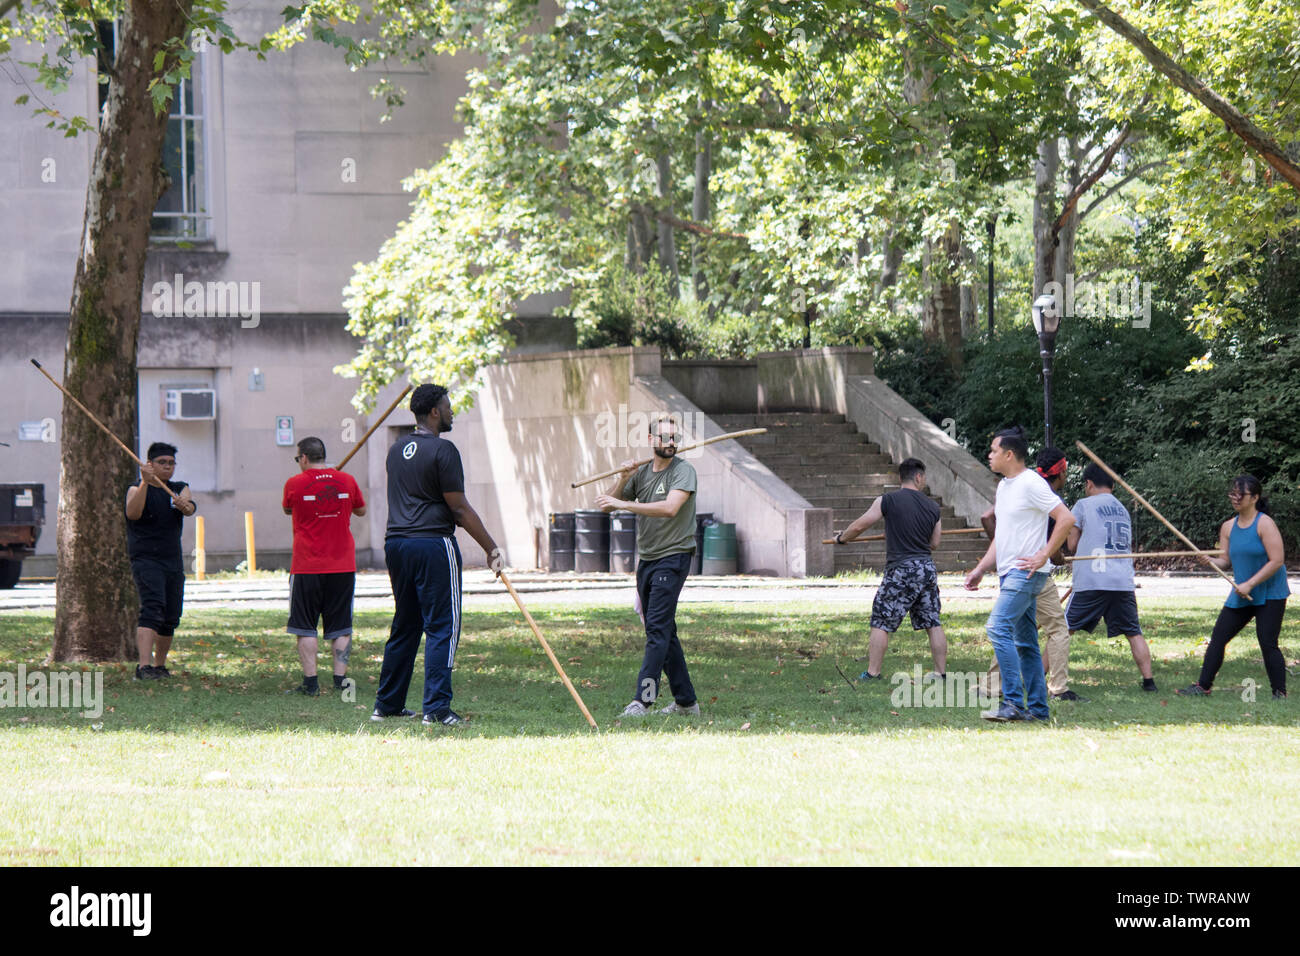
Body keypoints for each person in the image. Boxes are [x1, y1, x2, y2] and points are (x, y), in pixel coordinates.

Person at [372, 385, 504, 725]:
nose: (451, 412)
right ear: (434, 412)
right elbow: (459, 510)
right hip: (432, 545)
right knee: (443, 625)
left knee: (406, 623)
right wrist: (491, 548)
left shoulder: (396, 449)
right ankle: (437, 708)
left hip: (396, 545)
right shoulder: (444, 451)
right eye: (447, 406)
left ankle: (387, 704)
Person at [964, 427, 1074, 722]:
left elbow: (1066, 518)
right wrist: (980, 568)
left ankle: (1012, 702)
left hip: (1025, 575)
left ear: (1009, 454)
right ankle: (1038, 710)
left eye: (993, 450)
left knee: (997, 627)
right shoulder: (1004, 487)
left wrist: (1044, 554)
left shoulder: (1032, 483)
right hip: (1009, 573)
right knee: (1025, 643)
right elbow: (1001, 537)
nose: (989, 455)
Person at [596, 415, 700, 718]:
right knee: (664, 630)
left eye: (675, 438)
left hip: (674, 556)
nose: (670, 443)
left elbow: (669, 509)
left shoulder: (684, 472)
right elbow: (607, 504)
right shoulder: (642, 474)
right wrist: (624, 478)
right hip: (648, 560)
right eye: (665, 437)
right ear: (651, 439)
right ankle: (686, 702)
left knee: (656, 629)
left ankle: (642, 701)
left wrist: (626, 505)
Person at [833, 457, 947, 682]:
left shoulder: (888, 500)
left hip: (901, 569)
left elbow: (860, 525)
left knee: (881, 620)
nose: (924, 481)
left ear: (900, 478)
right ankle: (940, 673)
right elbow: (934, 543)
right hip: (925, 568)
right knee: (932, 621)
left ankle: (873, 673)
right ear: (918, 476)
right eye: (923, 477)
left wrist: (841, 538)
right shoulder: (933, 507)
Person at [980, 447, 1081, 701]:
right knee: (1057, 629)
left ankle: (994, 687)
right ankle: (1057, 688)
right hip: (1034, 573)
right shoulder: (1042, 492)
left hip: (1017, 570)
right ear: (1062, 472)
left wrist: (1004, 548)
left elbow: (987, 516)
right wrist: (1049, 554)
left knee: (1007, 626)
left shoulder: (1020, 485)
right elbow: (1060, 529)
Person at [1177, 474, 1289, 699]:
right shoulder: (1228, 527)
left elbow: (1277, 560)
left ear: (1254, 497)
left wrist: (1250, 583)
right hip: (1242, 591)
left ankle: (1280, 692)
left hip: (1269, 591)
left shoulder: (1264, 524)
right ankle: (1203, 687)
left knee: (1267, 642)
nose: (1235, 498)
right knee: (1219, 637)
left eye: (1241, 494)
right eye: (1233, 493)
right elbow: (1225, 560)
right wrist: (1209, 560)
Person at [282, 437, 366, 696]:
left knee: (305, 625)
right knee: (341, 624)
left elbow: (287, 509)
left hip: (307, 565)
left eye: (298, 459)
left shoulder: (294, 484)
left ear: (304, 458)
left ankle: (311, 684)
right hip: (342, 565)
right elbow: (361, 510)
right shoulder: (347, 481)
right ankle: (341, 682)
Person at [1064, 463, 1157, 692]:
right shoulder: (1122, 509)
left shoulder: (1083, 505)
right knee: (1133, 632)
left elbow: (1072, 545)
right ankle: (1149, 682)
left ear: (1088, 484)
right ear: (1113, 485)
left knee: (1062, 631)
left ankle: (1043, 675)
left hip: (1091, 581)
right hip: (1121, 580)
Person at [125, 442, 197, 680]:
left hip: (172, 561)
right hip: (146, 559)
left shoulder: (178, 488)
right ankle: (143, 667)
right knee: (153, 608)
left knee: (171, 615)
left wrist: (185, 505)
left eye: (171, 463)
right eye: (161, 463)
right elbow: (133, 513)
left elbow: (188, 507)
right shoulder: (136, 488)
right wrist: (146, 481)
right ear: (150, 464)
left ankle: (159, 666)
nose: (167, 467)